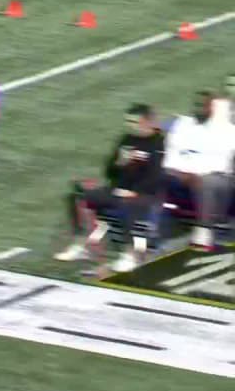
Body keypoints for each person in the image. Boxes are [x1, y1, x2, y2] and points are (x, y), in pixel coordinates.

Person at [55, 103, 166, 272]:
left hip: (146, 194)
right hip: (117, 190)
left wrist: (134, 191)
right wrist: (119, 163)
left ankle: (130, 254)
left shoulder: (159, 143)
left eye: (134, 122)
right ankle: (81, 244)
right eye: (128, 121)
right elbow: (108, 172)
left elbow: (156, 175)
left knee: (127, 205)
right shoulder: (126, 140)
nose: (130, 125)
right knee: (77, 197)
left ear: (147, 121)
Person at [163, 90, 235, 249]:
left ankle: (204, 230)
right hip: (180, 174)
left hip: (219, 179)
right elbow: (172, 154)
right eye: (197, 104)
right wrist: (182, 173)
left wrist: (195, 175)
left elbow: (223, 164)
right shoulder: (181, 125)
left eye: (204, 105)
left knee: (208, 182)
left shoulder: (228, 131)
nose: (199, 108)